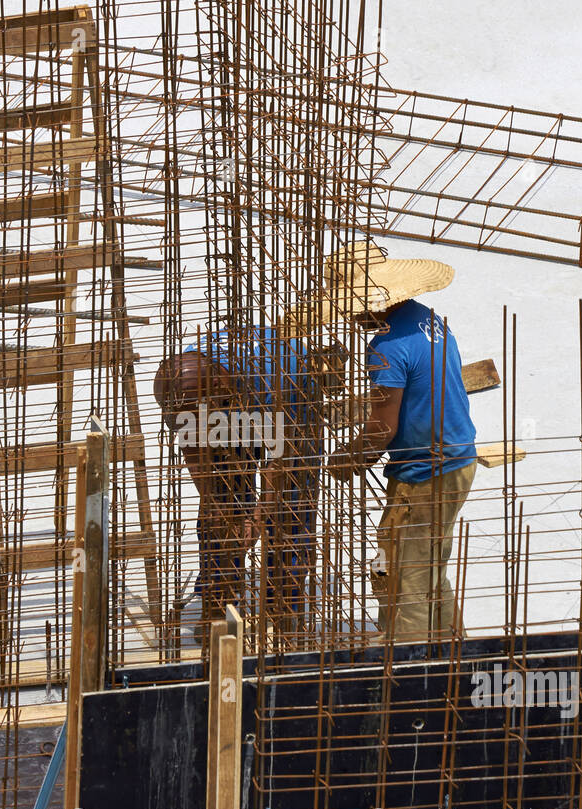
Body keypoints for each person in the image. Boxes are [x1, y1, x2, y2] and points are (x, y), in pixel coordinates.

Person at [154, 325, 346, 643]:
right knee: (218, 516)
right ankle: (219, 602)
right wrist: (217, 503)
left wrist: (256, 517)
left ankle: (283, 609)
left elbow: (279, 459)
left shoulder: (277, 378)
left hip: (289, 413)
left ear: (219, 384)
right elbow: (192, 447)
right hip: (232, 410)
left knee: (289, 515)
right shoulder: (181, 386)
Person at [327, 242, 477, 643]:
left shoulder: (386, 348)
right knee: (429, 566)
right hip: (459, 458)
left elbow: (381, 428)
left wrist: (346, 461)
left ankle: (409, 670)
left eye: (356, 306)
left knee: (404, 576)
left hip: (426, 473)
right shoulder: (427, 319)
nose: (353, 315)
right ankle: (454, 650)